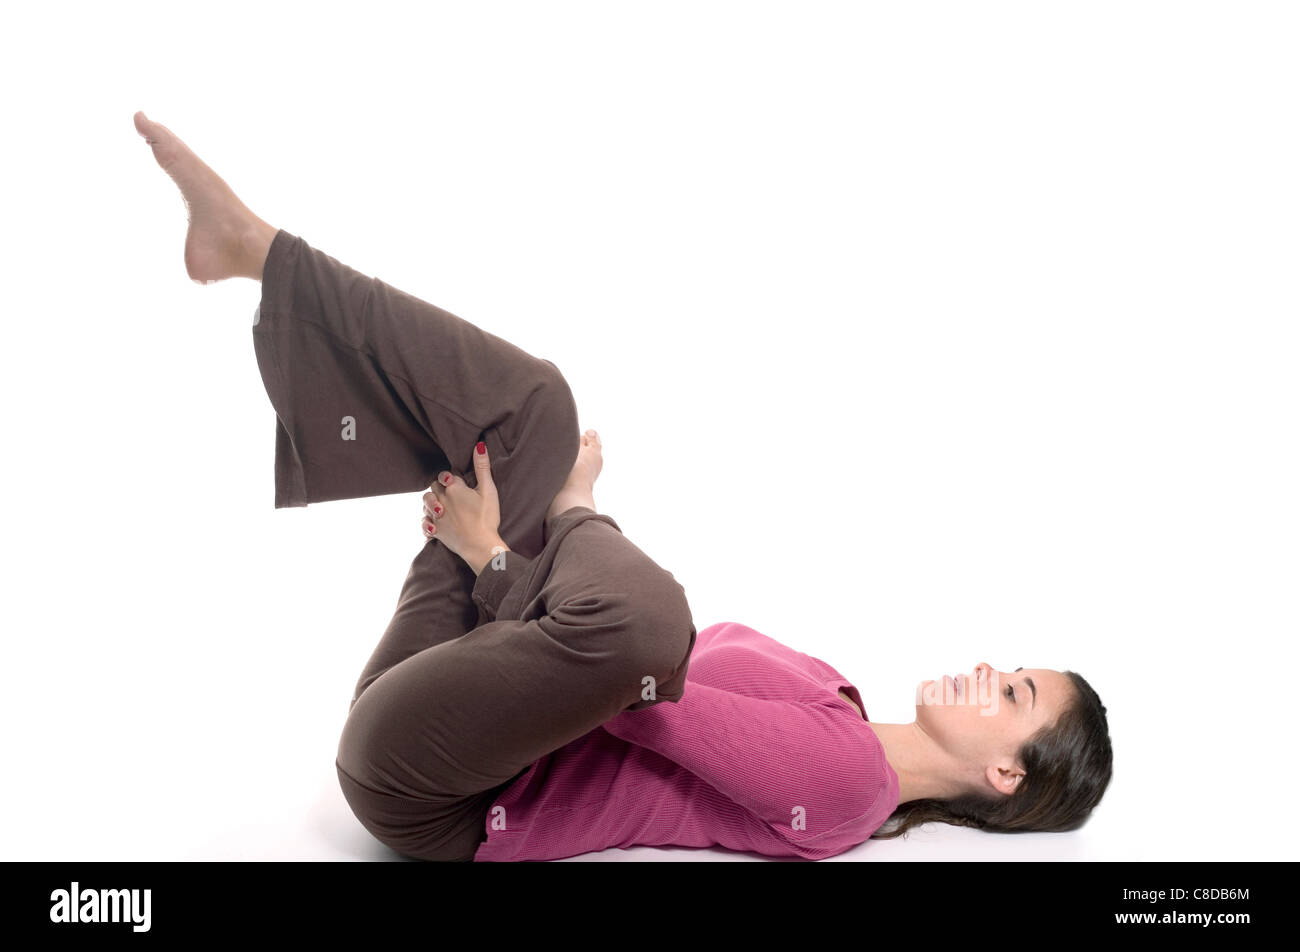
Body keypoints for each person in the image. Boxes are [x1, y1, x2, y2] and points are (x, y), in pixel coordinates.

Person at [134, 111, 1113, 862]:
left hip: (440, 791)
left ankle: (536, 496)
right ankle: (258, 254)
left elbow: (633, 697)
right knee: (535, 412)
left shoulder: (852, 786)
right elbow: (574, 660)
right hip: (443, 690)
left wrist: (513, 545)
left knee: (649, 626)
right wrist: (504, 558)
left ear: (1004, 771)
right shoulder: (839, 704)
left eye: (1015, 691)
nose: (991, 669)